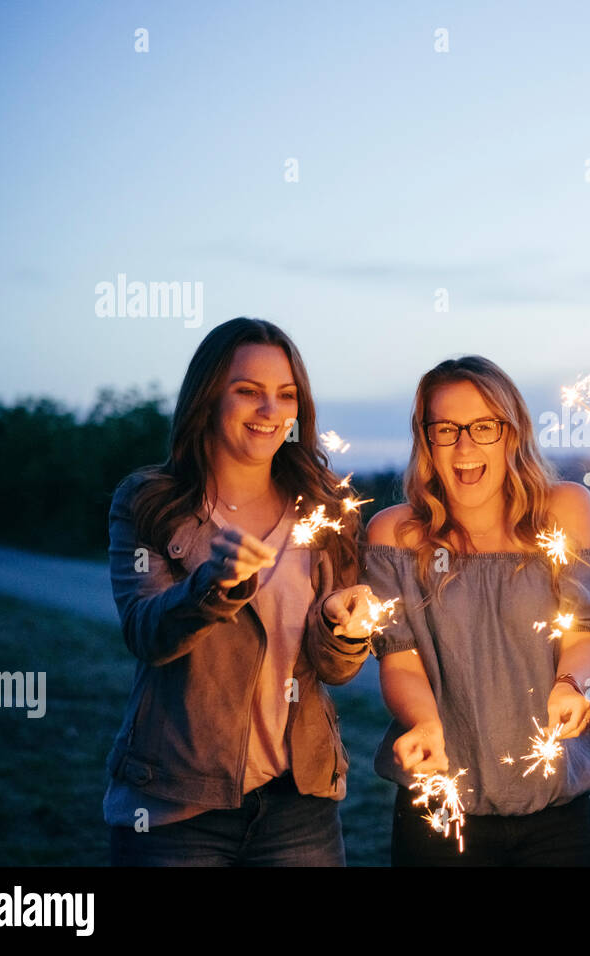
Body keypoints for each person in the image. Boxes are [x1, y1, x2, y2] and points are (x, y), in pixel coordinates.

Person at [104, 317, 375, 866]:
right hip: (177, 804)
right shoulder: (151, 502)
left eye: (285, 395)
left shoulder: (324, 513)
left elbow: (335, 671)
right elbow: (146, 634)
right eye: (248, 392)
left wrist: (343, 629)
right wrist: (214, 586)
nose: (270, 411)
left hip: (299, 805)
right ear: (208, 398)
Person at [363, 356, 590, 866]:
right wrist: (423, 724)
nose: (464, 446)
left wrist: (570, 683)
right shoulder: (394, 536)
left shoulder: (564, 511)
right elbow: (400, 659)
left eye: (483, 427)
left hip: (556, 815)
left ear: (512, 434)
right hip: (437, 812)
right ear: (425, 440)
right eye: (446, 429)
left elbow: (584, 631)